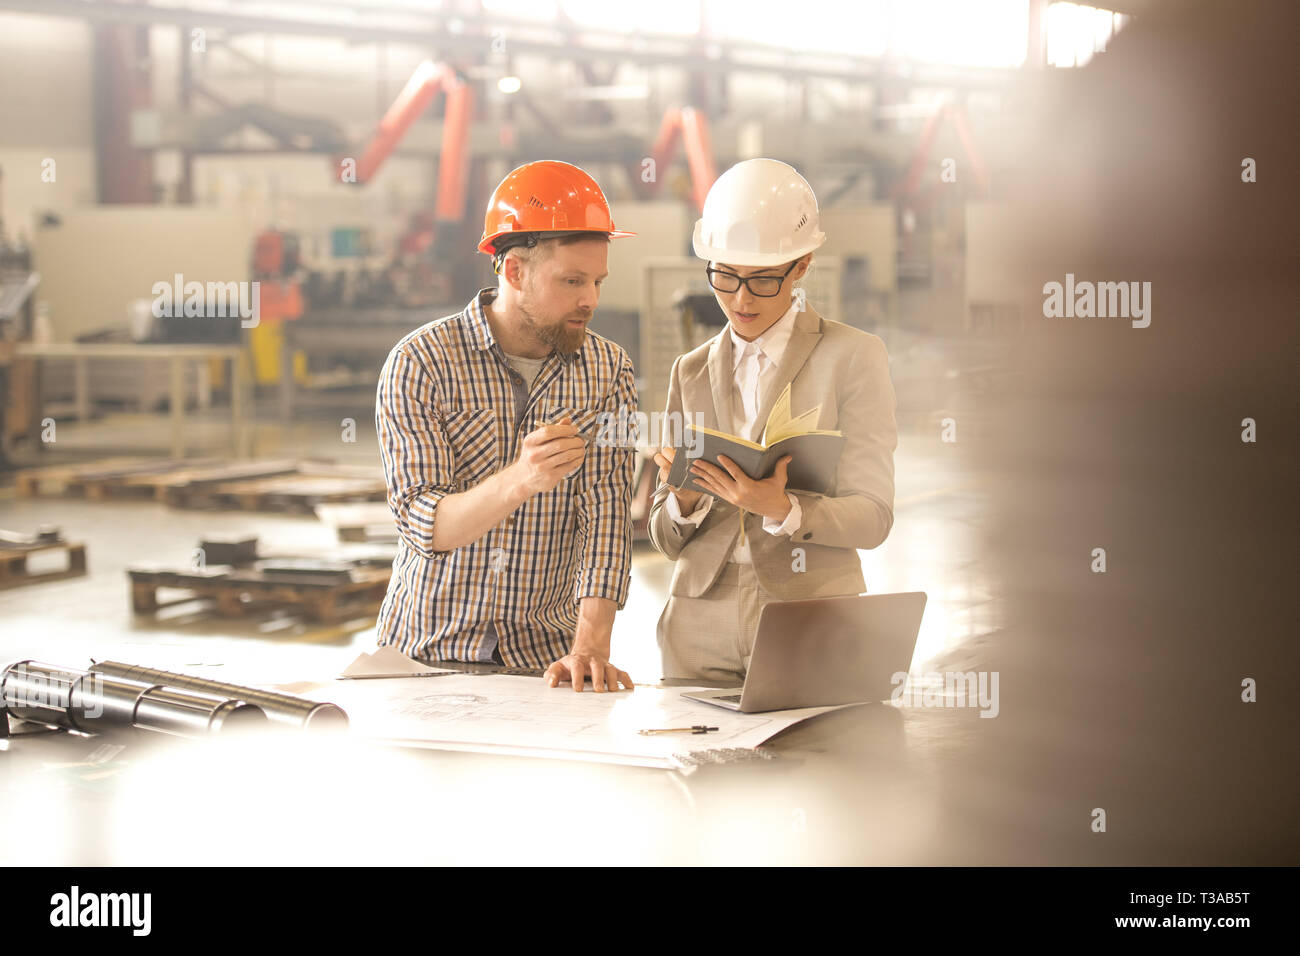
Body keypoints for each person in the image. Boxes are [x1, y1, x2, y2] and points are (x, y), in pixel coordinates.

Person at [375, 160, 638, 692]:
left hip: (542, 660)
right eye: (571, 281)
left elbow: (606, 518)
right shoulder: (422, 363)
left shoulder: (608, 371)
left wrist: (588, 648)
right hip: (427, 653)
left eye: (596, 281)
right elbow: (425, 524)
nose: (590, 299)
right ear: (514, 271)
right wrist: (523, 478)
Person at [649, 158, 899, 682]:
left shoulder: (853, 356)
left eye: (762, 280)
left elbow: (873, 516)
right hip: (696, 625)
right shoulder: (688, 371)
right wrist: (685, 500)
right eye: (725, 277)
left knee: (817, 761)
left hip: (807, 616)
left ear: (802, 265)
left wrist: (784, 509)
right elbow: (665, 539)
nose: (740, 300)